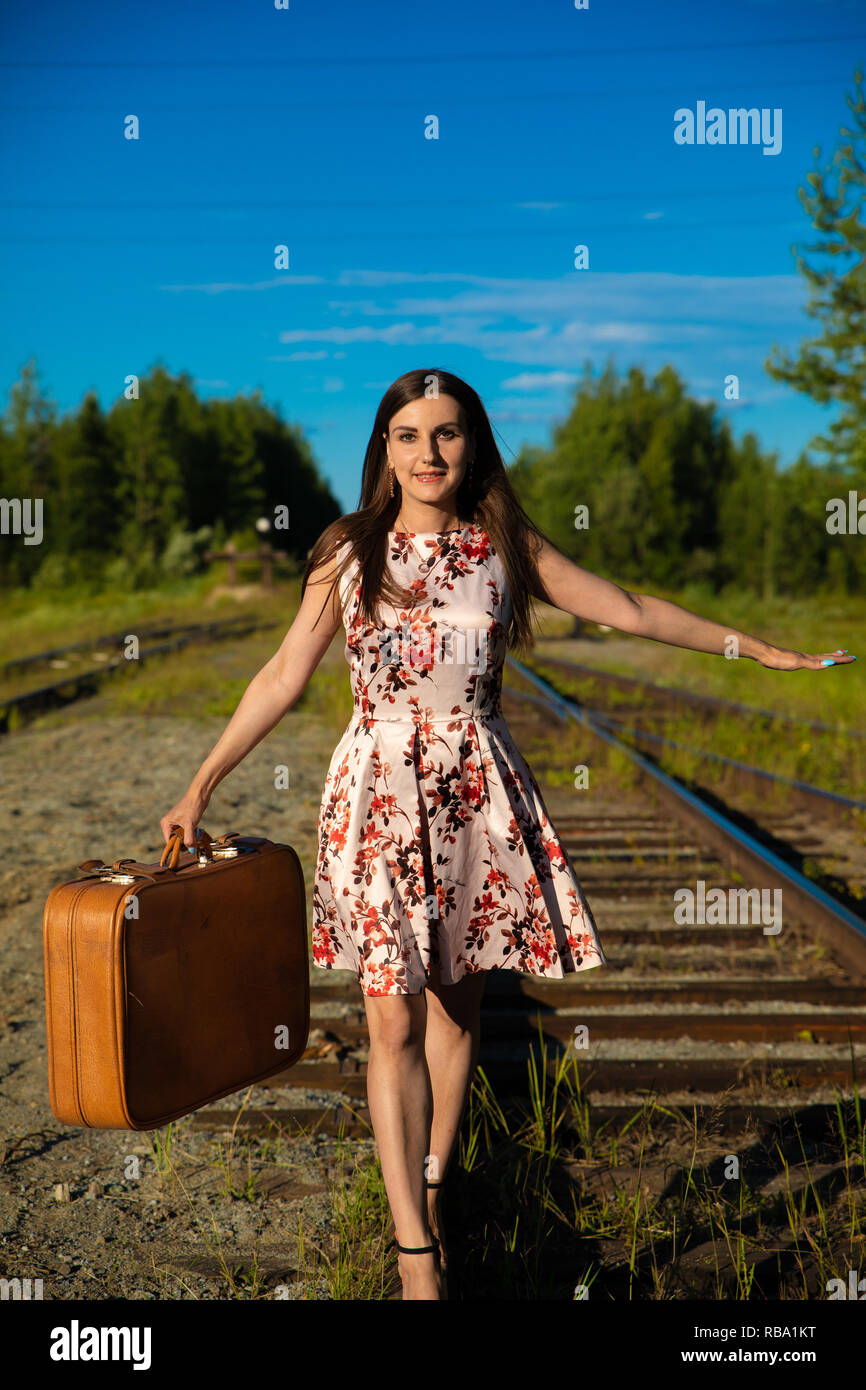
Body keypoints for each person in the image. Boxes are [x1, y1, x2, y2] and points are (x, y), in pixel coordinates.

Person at [161, 366, 856, 1301]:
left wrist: (756, 646)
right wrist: (200, 784)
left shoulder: (504, 546)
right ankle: (416, 1254)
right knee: (390, 1013)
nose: (428, 453)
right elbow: (283, 674)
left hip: (475, 798)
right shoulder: (347, 551)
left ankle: (436, 1182)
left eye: (446, 434)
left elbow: (633, 610)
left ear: (473, 443)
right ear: (383, 449)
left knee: (456, 1009)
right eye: (408, 435)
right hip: (377, 796)